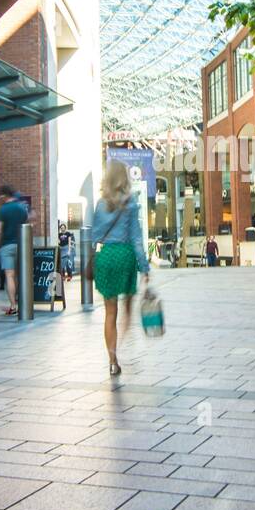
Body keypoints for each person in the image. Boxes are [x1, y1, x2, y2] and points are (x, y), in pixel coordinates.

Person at [91, 160, 150, 375]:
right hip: (125, 256)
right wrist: (144, 267)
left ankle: (112, 360)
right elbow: (135, 238)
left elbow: (94, 237)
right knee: (127, 308)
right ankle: (124, 344)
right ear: (124, 178)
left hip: (106, 256)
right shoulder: (131, 203)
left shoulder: (100, 203)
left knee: (109, 313)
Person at [0, 186, 29, 316]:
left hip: (6, 246)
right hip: (21, 244)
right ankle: (22, 303)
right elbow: (27, 224)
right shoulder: (22, 208)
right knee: (19, 275)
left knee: (9, 275)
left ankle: (13, 305)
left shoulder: (2, 210)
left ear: (4, 196)